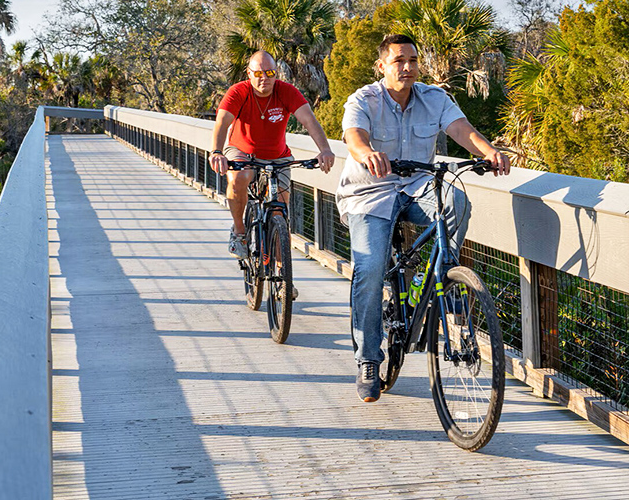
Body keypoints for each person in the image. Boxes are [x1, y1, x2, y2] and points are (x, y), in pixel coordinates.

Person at [335, 34, 510, 403]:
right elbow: (354, 135)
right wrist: (367, 153)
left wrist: (490, 152)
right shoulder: (363, 99)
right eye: (399, 61)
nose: (408, 67)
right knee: (369, 270)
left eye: (413, 60)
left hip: (417, 185)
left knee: (457, 201)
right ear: (382, 66)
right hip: (370, 192)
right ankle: (368, 359)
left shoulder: (435, 98)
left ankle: (445, 280)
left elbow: (463, 131)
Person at [209, 51, 335, 297]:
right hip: (241, 151)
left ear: (275, 74)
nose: (264, 78)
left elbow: (309, 121)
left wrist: (325, 150)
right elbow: (222, 122)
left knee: (279, 211)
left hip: (278, 156)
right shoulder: (238, 92)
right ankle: (240, 232)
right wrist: (216, 151)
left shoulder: (286, 92)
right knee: (239, 178)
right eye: (258, 73)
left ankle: (282, 279)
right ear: (249, 74)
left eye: (269, 73)